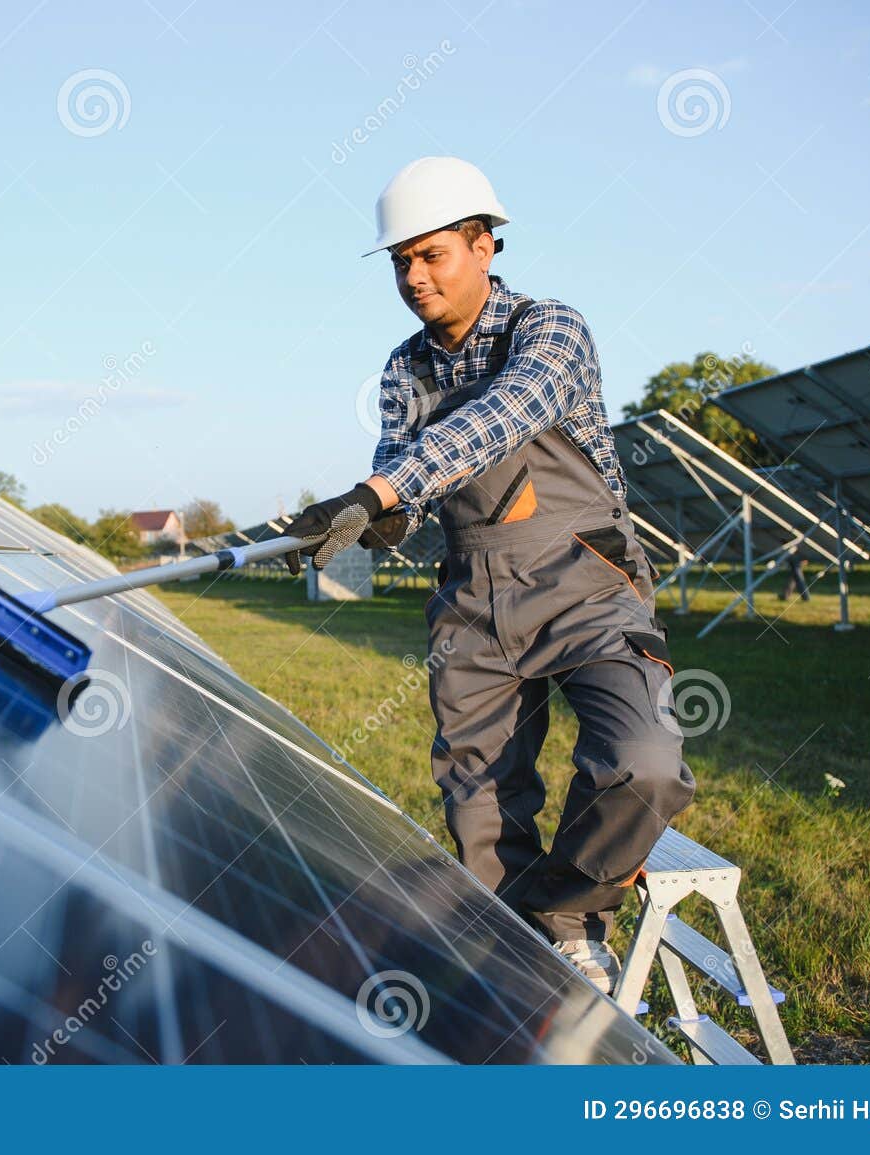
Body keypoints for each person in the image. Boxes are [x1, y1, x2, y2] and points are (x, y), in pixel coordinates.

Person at [280, 157, 696, 995]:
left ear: (484, 244)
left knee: (645, 762)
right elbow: (405, 482)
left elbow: (506, 416)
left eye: (431, 254)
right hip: (473, 598)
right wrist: (364, 521)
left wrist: (380, 490)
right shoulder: (404, 369)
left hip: (586, 584)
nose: (413, 276)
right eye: (400, 260)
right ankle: (515, 969)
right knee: (480, 805)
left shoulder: (550, 330)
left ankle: (565, 913)